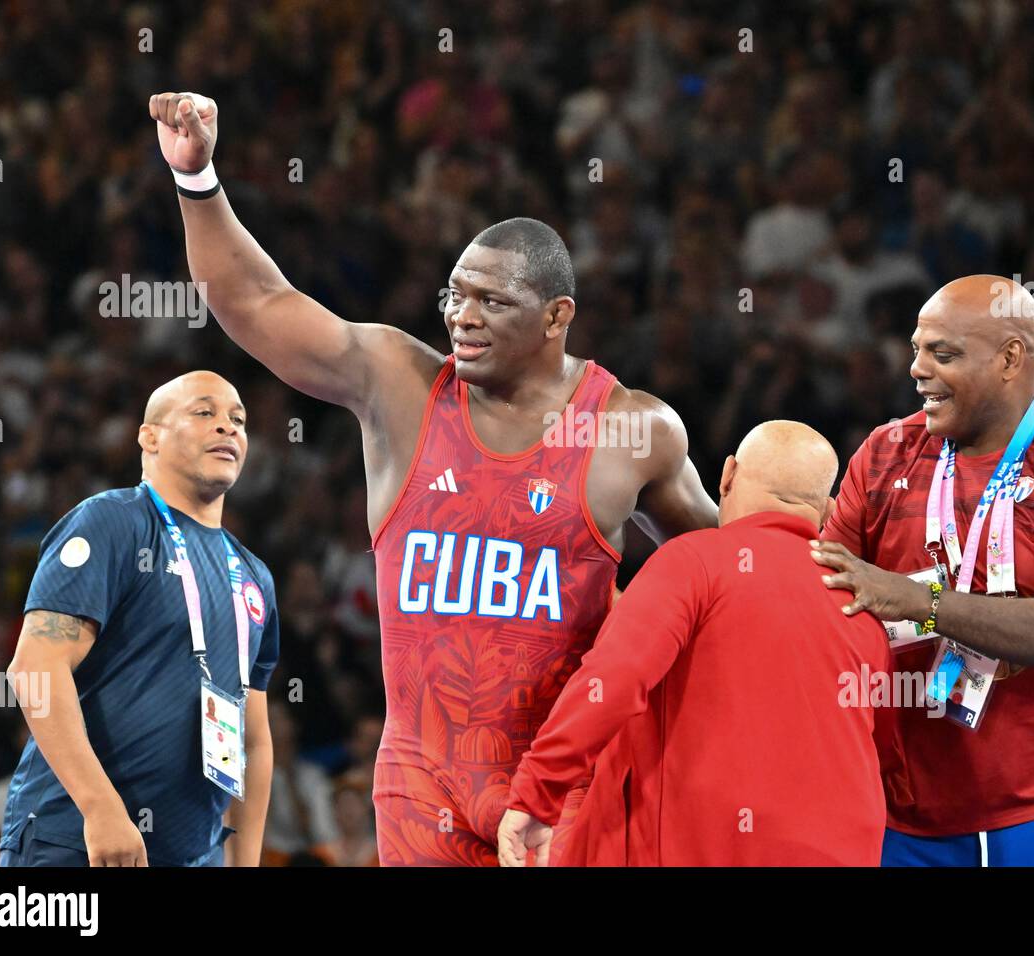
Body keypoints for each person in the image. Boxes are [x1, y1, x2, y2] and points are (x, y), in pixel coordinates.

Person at [148, 92, 718, 866]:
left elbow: (729, 567)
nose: (462, 316)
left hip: (566, 791)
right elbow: (256, 300)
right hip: (423, 790)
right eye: (456, 294)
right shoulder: (400, 385)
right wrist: (199, 182)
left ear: (557, 318)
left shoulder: (633, 428)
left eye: (493, 301)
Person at [812, 275, 1034, 866]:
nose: (917, 370)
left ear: (1010, 359)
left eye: (942, 354)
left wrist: (917, 601)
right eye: (916, 349)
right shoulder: (884, 454)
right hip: (915, 808)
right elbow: (824, 591)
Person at [499, 421, 890, 866]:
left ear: (726, 476)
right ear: (828, 511)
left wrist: (538, 791)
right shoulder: (864, 611)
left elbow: (611, 682)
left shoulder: (693, 563)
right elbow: (881, 752)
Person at [0, 371, 278, 867]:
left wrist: (244, 862)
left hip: (195, 855)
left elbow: (251, 736)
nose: (227, 428)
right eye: (204, 412)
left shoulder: (254, 576)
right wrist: (100, 808)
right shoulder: (112, 521)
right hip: (77, 840)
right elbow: (35, 668)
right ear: (150, 436)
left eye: (238, 420)